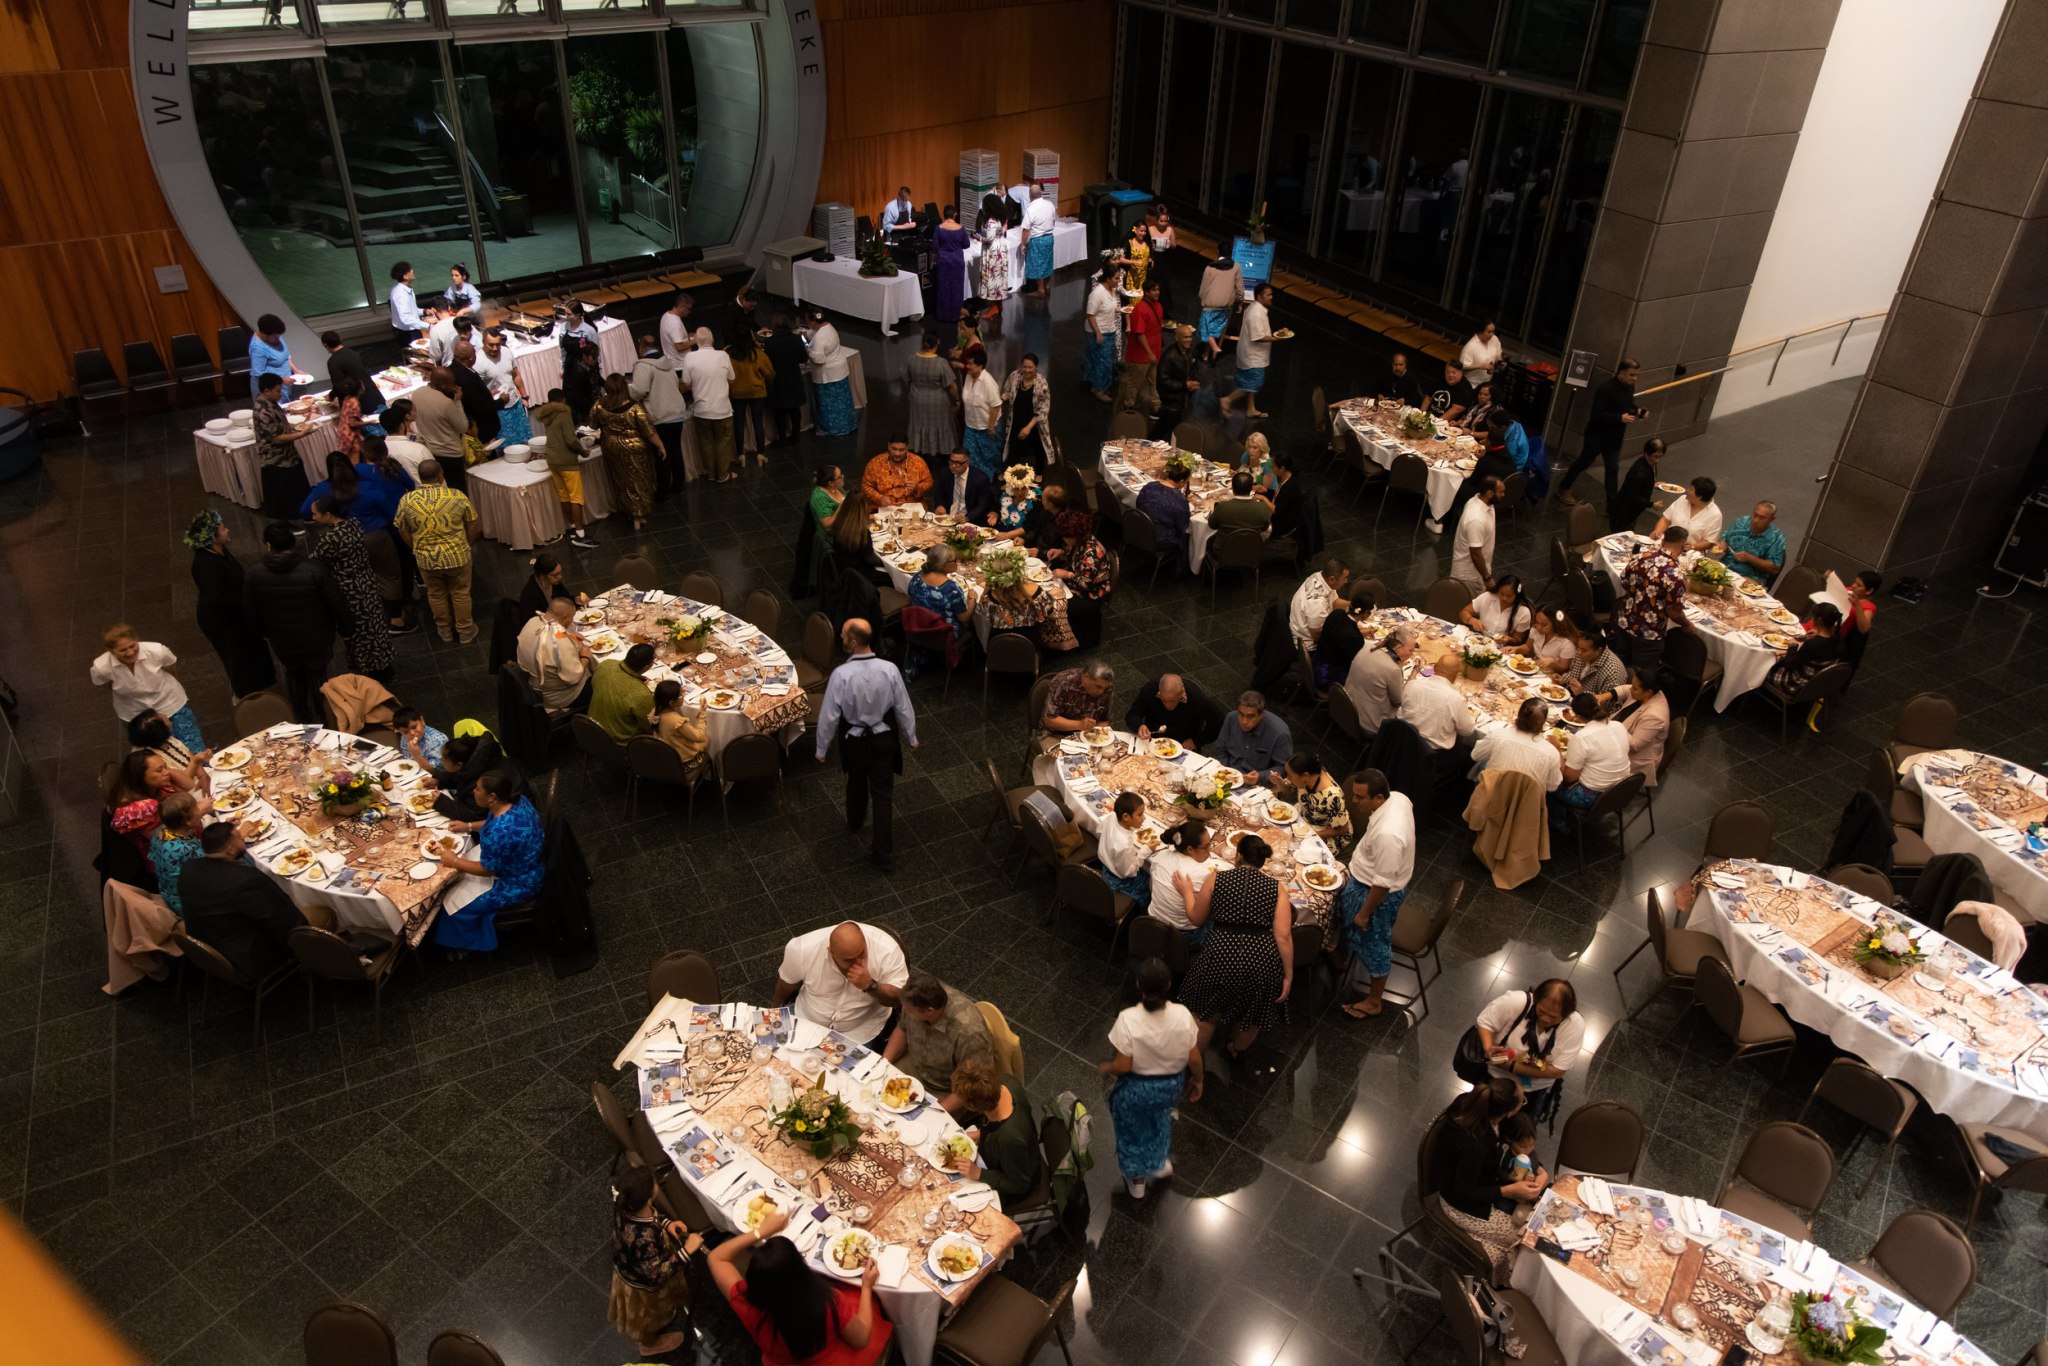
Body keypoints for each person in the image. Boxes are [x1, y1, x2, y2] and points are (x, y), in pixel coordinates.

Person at [709, 1202, 890, 1366]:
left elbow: (716, 1258)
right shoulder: (828, 1303)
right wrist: (867, 1286)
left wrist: (760, 1232)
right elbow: (861, 1340)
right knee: (861, 1293)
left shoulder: (745, 1303)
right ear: (801, 1269)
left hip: (781, 1360)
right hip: (830, 1360)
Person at [1174, 834, 1292, 1055]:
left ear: (1238, 855)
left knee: (1205, 1016)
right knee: (1251, 1018)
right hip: (1260, 961)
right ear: (1262, 861)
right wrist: (1288, 975)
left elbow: (1196, 918)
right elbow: (1283, 936)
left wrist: (1188, 893)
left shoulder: (1216, 879)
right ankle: (1235, 1050)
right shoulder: (1277, 889)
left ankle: (1194, 1061)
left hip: (1221, 954)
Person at [815, 619, 918, 871]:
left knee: (856, 782)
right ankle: (882, 853)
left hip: (855, 742)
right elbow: (903, 706)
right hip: (883, 739)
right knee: (883, 795)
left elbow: (829, 715)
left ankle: (855, 821)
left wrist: (821, 748)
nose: (840, 638)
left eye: (843, 635)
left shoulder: (841, 675)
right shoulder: (889, 669)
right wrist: (911, 736)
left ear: (853, 641)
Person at [1101, 956, 1203, 1199]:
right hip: (1169, 1087)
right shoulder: (1183, 1015)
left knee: (1131, 1130)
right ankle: (1158, 1163)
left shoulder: (1128, 1019)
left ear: (1139, 984)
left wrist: (1107, 1068)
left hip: (1137, 1090)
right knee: (1159, 1120)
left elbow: (1124, 1064)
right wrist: (1198, 1080)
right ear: (1168, 984)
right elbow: (1194, 1058)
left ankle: (1137, 1181)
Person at [1432, 1077, 1545, 1282]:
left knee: (1527, 1224)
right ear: (1509, 1111)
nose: (1524, 1104)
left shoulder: (1479, 1106)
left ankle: (1498, 1268)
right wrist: (1508, 1191)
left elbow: (1521, 1140)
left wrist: (1540, 1170)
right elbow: (1464, 1192)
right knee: (1525, 1236)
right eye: (1522, 1101)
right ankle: (1503, 1279)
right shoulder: (1475, 1145)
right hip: (1459, 1203)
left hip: (1481, 1182)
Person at [243, 522, 353, 720]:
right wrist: (346, 629)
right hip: (316, 636)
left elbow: (251, 611)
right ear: (293, 543)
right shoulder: (313, 569)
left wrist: (264, 633)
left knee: (294, 674)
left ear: (268, 545)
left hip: (282, 638)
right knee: (319, 677)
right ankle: (326, 717)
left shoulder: (254, 573)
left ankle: (301, 715)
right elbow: (337, 602)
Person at [432, 770, 546, 956]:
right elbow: (492, 824)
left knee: (454, 905)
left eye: (477, 789)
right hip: (526, 859)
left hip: (519, 881)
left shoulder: (500, 832)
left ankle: (468, 944)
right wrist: (468, 826)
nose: (474, 792)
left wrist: (454, 861)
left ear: (492, 797)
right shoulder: (518, 801)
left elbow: (487, 870)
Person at [180, 823, 310, 976]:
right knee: (322, 913)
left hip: (207, 947)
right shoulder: (246, 881)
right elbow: (284, 921)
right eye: (240, 838)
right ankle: (316, 961)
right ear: (230, 850)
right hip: (248, 958)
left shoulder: (189, 868)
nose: (243, 840)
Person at [1338, 769, 1414, 1018]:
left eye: (1360, 797)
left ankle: (1373, 1001)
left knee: (1374, 945)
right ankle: (1341, 953)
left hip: (1374, 894)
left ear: (1379, 797)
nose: (1354, 801)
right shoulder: (1399, 797)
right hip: (1366, 877)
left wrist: (1364, 913)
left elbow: (1382, 884)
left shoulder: (1389, 834)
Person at [607, 1164, 702, 1360]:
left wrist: (667, 1224)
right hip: (643, 1285)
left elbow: (652, 1214)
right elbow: (656, 1274)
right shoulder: (643, 1239)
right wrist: (686, 1251)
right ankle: (649, 1344)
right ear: (648, 1197)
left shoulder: (626, 1206)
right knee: (649, 1319)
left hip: (630, 1267)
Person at [771, 920, 909, 1048]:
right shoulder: (802, 949)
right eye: (849, 960)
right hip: (807, 1017)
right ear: (831, 953)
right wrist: (772, 1012)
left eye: (861, 954)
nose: (858, 963)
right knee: (769, 1048)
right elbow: (785, 984)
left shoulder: (888, 951)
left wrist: (870, 985)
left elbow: (899, 999)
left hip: (858, 1031)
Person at [184, 511, 277, 700]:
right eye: (222, 529)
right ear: (213, 538)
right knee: (238, 657)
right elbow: (218, 601)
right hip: (224, 623)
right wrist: (250, 602)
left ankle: (257, 685)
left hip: (235, 614)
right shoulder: (207, 566)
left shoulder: (218, 552)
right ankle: (246, 695)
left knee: (250, 651)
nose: (227, 530)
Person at [309, 495, 394, 683]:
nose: (313, 517)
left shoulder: (331, 538)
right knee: (376, 625)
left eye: (315, 514)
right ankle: (385, 664)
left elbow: (315, 561)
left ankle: (372, 668)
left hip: (350, 589)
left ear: (328, 515)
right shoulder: (354, 523)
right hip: (367, 581)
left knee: (360, 631)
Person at [394, 458, 479, 644]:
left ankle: (444, 631)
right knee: (460, 593)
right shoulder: (457, 496)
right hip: (457, 555)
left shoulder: (407, 501)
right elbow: (472, 521)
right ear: (441, 476)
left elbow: (401, 528)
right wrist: (467, 544)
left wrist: (415, 547)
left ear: (420, 478)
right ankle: (465, 631)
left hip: (427, 558)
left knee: (435, 594)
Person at [883, 972, 994, 1108]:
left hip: (947, 1089)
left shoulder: (970, 1034)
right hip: (916, 1066)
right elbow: (902, 1029)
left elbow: (971, 1086)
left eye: (909, 1011)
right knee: (875, 1090)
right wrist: (882, 1064)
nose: (905, 1011)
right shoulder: (913, 1002)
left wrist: (938, 1110)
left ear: (929, 1011)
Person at [90, 624, 204, 751]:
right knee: (155, 751)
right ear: (110, 651)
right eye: (122, 650)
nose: (130, 652)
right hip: (135, 712)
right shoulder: (101, 667)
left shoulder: (157, 651)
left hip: (170, 703)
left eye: (132, 646)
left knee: (192, 744)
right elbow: (104, 683)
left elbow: (170, 667)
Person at [1477, 979, 1585, 1098]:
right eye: (1542, 1011)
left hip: (1534, 1087)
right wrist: (1489, 1048)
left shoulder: (1574, 1024)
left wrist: (1512, 1067)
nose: (1545, 1019)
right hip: (1497, 1076)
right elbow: (1486, 1022)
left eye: (1553, 1017)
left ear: (1566, 1015)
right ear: (1536, 1000)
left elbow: (1557, 1071)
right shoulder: (1516, 1001)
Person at [1558, 359, 1642, 509]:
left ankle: (1612, 504)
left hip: (1615, 438)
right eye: (1631, 375)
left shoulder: (1629, 387)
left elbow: (1627, 405)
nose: (1634, 378)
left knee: (1612, 469)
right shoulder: (1606, 388)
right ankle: (1564, 487)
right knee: (1583, 462)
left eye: (1636, 375)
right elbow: (1597, 414)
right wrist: (1619, 418)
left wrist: (1638, 412)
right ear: (1621, 373)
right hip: (1597, 436)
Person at [1614, 526, 1693, 677]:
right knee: (1641, 676)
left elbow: (1624, 581)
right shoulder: (1675, 575)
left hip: (1625, 620)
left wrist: (1639, 596)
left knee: (1619, 665)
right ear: (1683, 546)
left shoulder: (1641, 557)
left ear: (1663, 541)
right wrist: (1686, 624)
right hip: (1648, 632)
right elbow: (1674, 612)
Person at [1550, 693, 1632, 828]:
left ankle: (1559, 823)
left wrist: (1557, 750)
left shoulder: (1582, 737)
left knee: (1549, 780)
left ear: (1578, 716)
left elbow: (1569, 777)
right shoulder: (1618, 725)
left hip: (1593, 796)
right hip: (1621, 789)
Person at [528, 388, 596, 548]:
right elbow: (570, 439)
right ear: (563, 400)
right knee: (576, 498)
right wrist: (582, 451)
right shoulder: (564, 414)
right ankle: (580, 535)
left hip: (552, 460)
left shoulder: (546, 415)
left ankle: (572, 528)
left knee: (564, 496)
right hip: (567, 461)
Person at [592, 373, 661, 529]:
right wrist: (661, 445)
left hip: (611, 448)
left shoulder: (599, 406)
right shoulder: (634, 408)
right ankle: (639, 515)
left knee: (620, 480)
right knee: (639, 480)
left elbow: (592, 425)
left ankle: (629, 512)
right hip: (635, 449)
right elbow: (649, 431)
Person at [630, 335, 688, 498]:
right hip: (676, 412)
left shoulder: (643, 365)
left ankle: (664, 491)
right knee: (675, 450)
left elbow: (639, 390)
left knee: (662, 453)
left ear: (641, 347)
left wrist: (627, 391)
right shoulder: (667, 362)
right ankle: (679, 484)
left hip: (660, 414)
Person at [1148, 820, 1220, 948]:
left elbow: (1151, 886)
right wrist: (1193, 896)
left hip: (1151, 921)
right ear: (1190, 849)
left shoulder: (1161, 856)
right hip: (1181, 935)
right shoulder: (1201, 874)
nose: (1210, 851)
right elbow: (1199, 918)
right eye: (1206, 846)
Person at [1774, 602, 1846, 729]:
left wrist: (1792, 645)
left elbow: (1789, 665)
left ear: (1819, 620)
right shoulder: (1839, 640)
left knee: (1769, 665)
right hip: (1816, 685)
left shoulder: (1813, 645)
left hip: (1796, 685)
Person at [250, 372, 314, 516]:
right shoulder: (263, 411)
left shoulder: (271, 402)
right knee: (285, 496)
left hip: (288, 454)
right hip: (276, 459)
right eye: (278, 391)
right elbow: (277, 438)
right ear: (267, 391)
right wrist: (302, 433)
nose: (281, 394)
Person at [1048, 507, 1113, 648]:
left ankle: (1064, 642)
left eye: (1066, 537)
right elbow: (1075, 557)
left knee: (1052, 606)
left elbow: (1086, 584)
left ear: (1076, 535)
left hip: (1091, 595)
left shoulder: (1092, 553)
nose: (1064, 539)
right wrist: (1061, 552)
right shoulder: (1081, 541)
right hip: (1077, 586)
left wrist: (1067, 574)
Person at [681, 327, 738, 484]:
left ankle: (711, 474)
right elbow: (732, 379)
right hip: (722, 409)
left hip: (701, 410)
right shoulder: (723, 355)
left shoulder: (689, 357)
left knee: (706, 443)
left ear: (696, 341)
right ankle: (723, 474)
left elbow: (686, 383)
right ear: (712, 339)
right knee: (722, 443)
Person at [518, 598, 595, 713]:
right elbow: (573, 678)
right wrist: (585, 658)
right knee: (603, 681)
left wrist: (569, 637)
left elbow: (550, 636)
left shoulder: (533, 621)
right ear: (565, 616)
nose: (571, 621)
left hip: (533, 682)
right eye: (572, 617)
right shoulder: (560, 643)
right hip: (559, 696)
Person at [1471, 698, 1563, 792]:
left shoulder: (1498, 735)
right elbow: (1552, 787)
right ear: (1543, 723)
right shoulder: (1552, 753)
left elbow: (1475, 755)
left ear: (1518, 714)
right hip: (1526, 800)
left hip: (1489, 795)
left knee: (1483, 764)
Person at [906, 545, 976, 661]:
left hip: (919, 625)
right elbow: (964, 617)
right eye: (954, 560)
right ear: (943, 565)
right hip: (943, 635)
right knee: (974, 621)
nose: (957, 563)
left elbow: (911, 597)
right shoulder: (950, 589)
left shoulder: (917, 577)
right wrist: (972, 600)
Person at [1222, 282, 1280, 418]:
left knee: (1248, 382)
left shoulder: (1254, 307)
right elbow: (1257, 337)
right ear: (1259, 296)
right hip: (1253, 357)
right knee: (1252, 384)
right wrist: (1276, 338)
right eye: (1268, 295)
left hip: (1249, 354)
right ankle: (1227, 400)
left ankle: (1250, 409)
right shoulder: (1256, 314)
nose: (1271, 297)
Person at [1212, 690, 1294, 787]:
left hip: (1258, 784)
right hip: (1227, 774)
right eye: (1241, 714)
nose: (1244, 721)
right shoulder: (1231, 718)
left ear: (1261, 715)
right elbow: (1220, 749)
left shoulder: (1279, 733)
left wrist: (1260, 776)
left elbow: (1284, 768)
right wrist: (1226, 771)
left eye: (1250, 716)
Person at [1399, 652, 1475, 754]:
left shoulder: (1412, 684)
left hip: (1401, 742)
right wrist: (1469, 713)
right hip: (1430, 754)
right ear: (1456, 675)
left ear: (1434, 668)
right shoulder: (1456, 700)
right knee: (1467, 752)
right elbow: (1467, 731)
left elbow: (1402, 706)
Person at [411, 367, 471, 493]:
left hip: (430, 451)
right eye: (452, 383)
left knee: (440, 491)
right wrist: (457, 402)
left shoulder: (417, 393)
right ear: (443, 384)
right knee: (457, 491)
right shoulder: (446, 403)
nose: (454, 385)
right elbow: (463, 427)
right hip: (451, 453)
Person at [1345, 627, 1414, 735]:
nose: (1412, 654)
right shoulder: (1393, 669)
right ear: (1399, 648)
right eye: (1410, 650)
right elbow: (1398, 702)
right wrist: (1413, 674)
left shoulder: (1367, 647)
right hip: (1370, 724)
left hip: (1346, 708)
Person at [148, 792, 207, 915]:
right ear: (188, 822)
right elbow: (214, 867)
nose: (200, 809)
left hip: (168, 893)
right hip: (188, 904)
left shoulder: (160, 832)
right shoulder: (186, 851)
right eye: (196, 808)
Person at [802, 309, 858, 438]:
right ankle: (847, 425)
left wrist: (807, 350)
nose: (808, 324)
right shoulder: (828, 327)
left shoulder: (819, 337)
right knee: (842, 402)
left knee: (830, 405)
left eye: (808, 322)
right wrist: (808, 334)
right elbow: (817, 334)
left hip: (828, 375)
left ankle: (832, 429)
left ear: (813, 321)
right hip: (839, 370)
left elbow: (818, 359)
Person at [1124, 673, 1219, 747]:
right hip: (1153, 738)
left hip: (1183, 742)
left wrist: (1196, 741)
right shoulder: (1150, 689)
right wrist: (1139, 725)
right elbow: (1132, 714)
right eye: (1164, 700)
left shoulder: (1197, 698)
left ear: (1182, 692)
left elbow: (1217, 722)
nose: (1167, 705)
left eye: (1172, 701)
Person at [903, 333, 958, 458]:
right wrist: (957, 400)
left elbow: (907, 378)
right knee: (940, 424)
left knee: (919, 423)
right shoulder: (941, 363)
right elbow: (951, 386)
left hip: (917, 399)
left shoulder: (911, 359)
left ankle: (920, 447)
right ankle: (939, 450)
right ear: (938, 342)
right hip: (937, 401)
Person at [728, 322, 776, 466]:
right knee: (757, 423)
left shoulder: (727, 353)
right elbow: (770, 373)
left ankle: (741, 455)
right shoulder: (758, 354)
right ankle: (760, 453)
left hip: (736, 393)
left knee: (739, 424)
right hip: (757, 392)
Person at [590, 643, 657, 742]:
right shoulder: (642, 695)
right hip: (618, 741)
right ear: (646, 667)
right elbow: (648, 727)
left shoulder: (606, 664)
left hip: (591, 726)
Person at [1097, 792, 1155, 906]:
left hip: (1107, 866)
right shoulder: (1123, 845)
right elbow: (1128, 872)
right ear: (1126, 817)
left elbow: (1100, 829)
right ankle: (1143, 907)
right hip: (1119, 880)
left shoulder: (1113, 817)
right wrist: (1145, 851)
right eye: (1140, 814)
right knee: (1152, 880)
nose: (1144, 818)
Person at [1000, 353, 1054, 472]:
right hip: (1017, 417)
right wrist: (1001, 399)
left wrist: (1028, 427)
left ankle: (1039, 472)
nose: (1027, 370)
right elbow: (1007, 391)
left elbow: (1043, 410)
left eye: (1030, 367)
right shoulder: (1015, 376)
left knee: (1038, 446)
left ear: (1036, 367)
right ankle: (1011, 470)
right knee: (1014, 444)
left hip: (1034, 421)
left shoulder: (1042, 383)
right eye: (1024, 367)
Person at [127, 711, 206, 792]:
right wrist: (195, 762)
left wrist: (203, 776)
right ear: (161, 730)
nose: (165, 715)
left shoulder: (170, 740)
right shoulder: (155, 759)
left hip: (199, 779)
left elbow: (191, 757)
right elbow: (184, 783)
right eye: (161, 716)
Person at [763, 314, 810, 447]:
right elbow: (803, 358)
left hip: (778, 380)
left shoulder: (770, 342)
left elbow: (768, 362)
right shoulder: (796, 339)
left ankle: (782, 437)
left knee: (779, 411)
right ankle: (796, 435)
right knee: (795, 409)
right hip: (793, 377)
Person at [1119, 279, 1165, 414]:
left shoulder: (1158, 306)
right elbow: (1139, 333)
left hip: (1153, 353)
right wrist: (1150, 353)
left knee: (1152, 381)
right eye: (1154, 290)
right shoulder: (1140, 309)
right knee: (1135, 382)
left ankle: (1156, 405)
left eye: (1158, 289)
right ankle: (1129, 406)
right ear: (1146, 292)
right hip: (1141, 356)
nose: (1157, 292)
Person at [1280, 751, 1352, 837]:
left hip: (1324, 830)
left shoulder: (1332, 797)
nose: (1288, 778)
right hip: (1305, 816)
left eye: (1290, 775)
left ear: (1305, 775)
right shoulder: (1310, 774)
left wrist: (1310, 835)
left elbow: (1342, 830)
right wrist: (1279, 783)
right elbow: (1289, 788)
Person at [958, 349, 1004, 480]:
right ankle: (975, 478)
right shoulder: (968, 377)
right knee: (970, 455)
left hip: (986, 427)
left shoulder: (988, 382)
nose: (968, 366)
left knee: (990, 455)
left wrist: (991, 427)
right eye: (967, 363)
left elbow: (995, 406)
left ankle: (988, 478)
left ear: (980, 365)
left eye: (971, 364)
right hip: (971, 425)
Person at [1450, 476, 1502, 591]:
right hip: (1469, 577)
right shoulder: (1476, 519)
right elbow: (1475, 553)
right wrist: (1487, 578)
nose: (1503, 495)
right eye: (1501, 492)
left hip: (1476, 572)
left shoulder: (1482, 502)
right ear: (1489, 493)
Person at [1136, 463, 1192, 568]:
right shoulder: (1180, 500)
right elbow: (1182, 528)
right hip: (1160, 540)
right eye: (1186, 482)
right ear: (1181, 482)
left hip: (1141, 528)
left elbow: (1138, 504)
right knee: (1188, 537)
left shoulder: (1149, 486)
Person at [1288, 561, 1353, 650]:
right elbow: (1318, 634)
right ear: (1332, 579)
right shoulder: (1316, 603)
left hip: (1317, 629)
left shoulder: (1320, 577)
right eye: (1344, 578)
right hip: (1309, 647)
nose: (1346, 581)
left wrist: (1354, 605)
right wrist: (1352, 631)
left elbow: (1334, 602)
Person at [1717, 500, 1786, 583]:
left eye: (1762, 518)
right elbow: (1725, 538)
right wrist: (1722, 546)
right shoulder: (1740, 522)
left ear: (1771, 519)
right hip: (1725, 568)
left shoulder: (1776, 538)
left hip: (1750, 578)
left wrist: (1749, 558)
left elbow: (1774, 568)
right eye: (1755, 515)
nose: (1756, 520)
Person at [1623, 668, 1672, 784]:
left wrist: (1613, 726)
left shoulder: (1655, 716)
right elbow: (1625, 689)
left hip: (1635, 761)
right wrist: (1606, 695)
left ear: (1648, 692)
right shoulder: (1652, 692)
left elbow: (1634, 745)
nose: (1630, 689)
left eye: (1634, 688)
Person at [322, 331, 385, 421]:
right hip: (374, 396)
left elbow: (339, 385)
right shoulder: (353, 353)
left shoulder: (333, 361)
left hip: (360, 404)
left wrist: (331, 396)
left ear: (325, 345)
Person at [651, 680, 710, 774]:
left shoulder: (654, 712)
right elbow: (699, 737)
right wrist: (703, 713)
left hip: (667, 757)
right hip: (684, 763)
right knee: (707, 739)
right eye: (681, 695)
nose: (684, 694)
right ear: (671, 703)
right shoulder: (677, 722)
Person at [1609, 437, 1666, 534]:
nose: (1658, 460)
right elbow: (1631, 495)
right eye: (1655, 456)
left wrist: (1653, 484)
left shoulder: (1649, 463)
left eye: (1660, 456)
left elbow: (1641, 483)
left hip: (1632, 509)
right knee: (1619, 535)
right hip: (1624, 510)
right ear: (1646, 453)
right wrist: (1652, 505)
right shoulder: (1639, 471)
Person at [1042, 660, 1115, 735]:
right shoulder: (1063, 682)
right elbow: (1049, 721)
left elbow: (1104, 720)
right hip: (1056, 734)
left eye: (1104, 688)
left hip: (1087, 734)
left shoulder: (1107, 687)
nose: (1101, 692)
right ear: (1085, 676)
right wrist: (1079, 725)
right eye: (1098, 686)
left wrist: (1096, 736)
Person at [1153, 323, 1200, 438]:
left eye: (1190, 337)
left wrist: (1192, 383)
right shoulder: (1169, 356)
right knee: (1167, 431)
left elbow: (1191, 371)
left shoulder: (1190, 352)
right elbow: (1162, 381)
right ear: (1177, 338)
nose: (1189, 340)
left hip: (1182, 400)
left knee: (1168, 430)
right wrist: (1184, 385)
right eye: (1185, 337)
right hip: (1171, 402)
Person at [1653, 476, 1723, 552]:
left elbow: (1709, 542)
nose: (1687, 490)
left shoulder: (1715, 515)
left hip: (1690, 554)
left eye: (1691, 489)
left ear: (1699, 497)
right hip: (1665, 546)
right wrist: (1657, 533)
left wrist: (1693, 546)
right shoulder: (1682, 499)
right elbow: (1665, 520)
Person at [1562, 629, 1629, 709]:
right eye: (1577, 648)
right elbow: (1573, 675)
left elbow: (1608, 706)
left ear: (1598, 650)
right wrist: (1562, 679)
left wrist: (1582, 693)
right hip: (1574, 699)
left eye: (1584, 650)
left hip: (1593, 710)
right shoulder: (1581, 652)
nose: (1579, 653)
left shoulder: (1613, 671)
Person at [861, 436, 933, 508]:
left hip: (912, 506)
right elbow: (866, 486)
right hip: (885, 506)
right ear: (888, 446)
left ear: (907, 448)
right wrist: (879, 498)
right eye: (894, 449)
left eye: (901, 450)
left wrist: (917, 487)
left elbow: (929, 483)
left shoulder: (918, 462)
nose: (897, 453)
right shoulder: (875, 463)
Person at [1082, 269, 1121, 402]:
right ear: (1108, 278)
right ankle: (1099, 389)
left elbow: (1110, 307)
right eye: (1116, 278)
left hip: (1109, 329)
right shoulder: (1097, 294)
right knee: (1102, 362)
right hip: (1098, 331)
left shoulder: (1112, 290)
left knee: (1104, 360)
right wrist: (1098, 333)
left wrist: (1120, 310)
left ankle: (1098, 385)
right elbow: (1090, 314)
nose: (1118, 281)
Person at [1461, 574, 1531, 645]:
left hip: (1500, 646)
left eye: (1509, 596)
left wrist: (1508, 639)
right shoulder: (1488, 597)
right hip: (1478, 638)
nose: (1504, 598)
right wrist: (1471, 620)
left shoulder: (1523, 612)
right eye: (1501, 593)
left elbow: (1518, 639)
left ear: (1517, 595)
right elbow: (1464, 612)